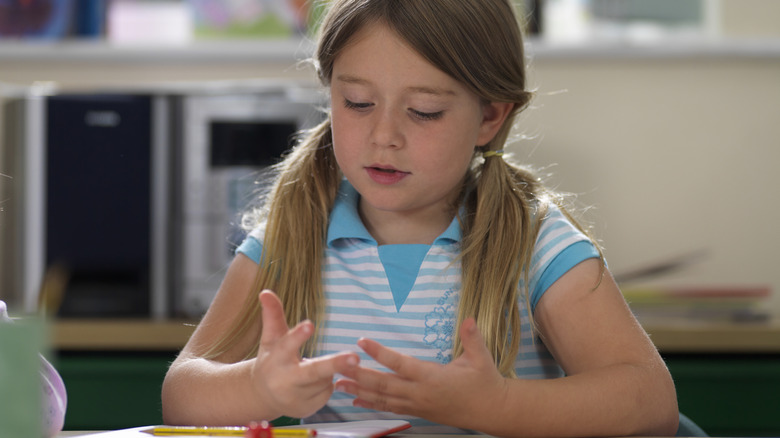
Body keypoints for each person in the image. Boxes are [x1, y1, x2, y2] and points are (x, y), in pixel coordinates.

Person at [162, 0, 679, 436]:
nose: (384, 135)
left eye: (424, 110)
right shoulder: (290, 235)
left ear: (491, 116)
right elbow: (182, 396)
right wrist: (258, 387)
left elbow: (650, 401)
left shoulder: (534, 240)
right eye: (358, 102)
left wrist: (496, 405)